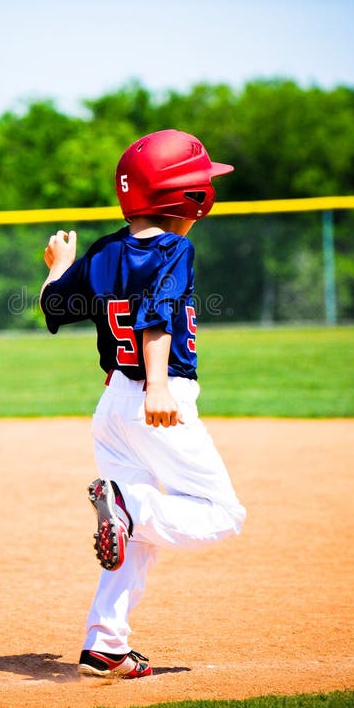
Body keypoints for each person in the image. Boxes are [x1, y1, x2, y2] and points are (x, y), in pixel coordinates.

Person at [40, 129, 246, 679]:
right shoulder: (177, 248)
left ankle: (105, 643)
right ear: (189, 197)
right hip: (159, 399)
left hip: (111, 410)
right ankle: (130, 508)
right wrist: (157, 387)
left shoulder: (105, 249)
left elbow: (54, 306)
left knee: (133, 539)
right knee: (223, 515)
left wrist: (58, 265)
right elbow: (156, 314)